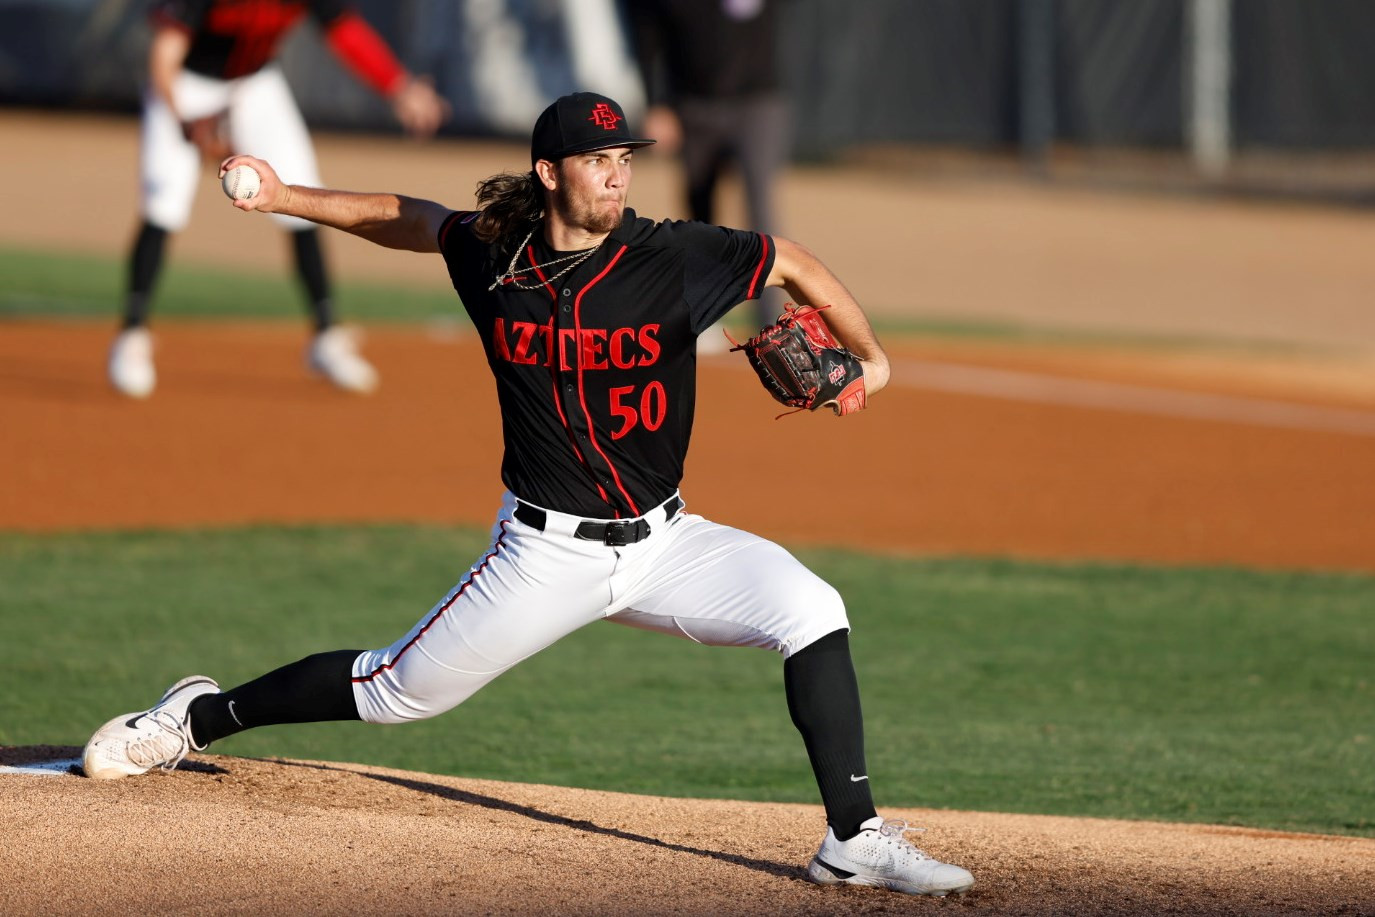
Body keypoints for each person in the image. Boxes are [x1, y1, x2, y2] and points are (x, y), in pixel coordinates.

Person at [82, 91, 975, 899]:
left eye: (624, 158)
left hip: (667, 545)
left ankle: (852, 840)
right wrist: (283, 197)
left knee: (812, 608)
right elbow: (411, 218)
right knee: (397, 690)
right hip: (545, 553)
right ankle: (191, 716)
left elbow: (792, 261)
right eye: (598, 161)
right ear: (550, 173)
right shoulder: (494, 257)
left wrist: (874, 360)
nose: (617, 175)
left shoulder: (673, 257)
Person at [108, 0, 449, 398]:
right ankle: (132, 336)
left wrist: (400, 87)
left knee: (302, 191)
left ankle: (326, 336)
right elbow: (164, 54)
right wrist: (184, 121)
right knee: (163, 204)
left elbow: (344, 31)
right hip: (186, 83)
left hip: (254, 85)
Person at [627, 0, 790, 347]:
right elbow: (646, 40)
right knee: (700, 212)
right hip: (693, 104)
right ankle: (705, 317)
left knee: (761, 208)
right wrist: (656, 104)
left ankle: (774, 325)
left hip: (757, 102)